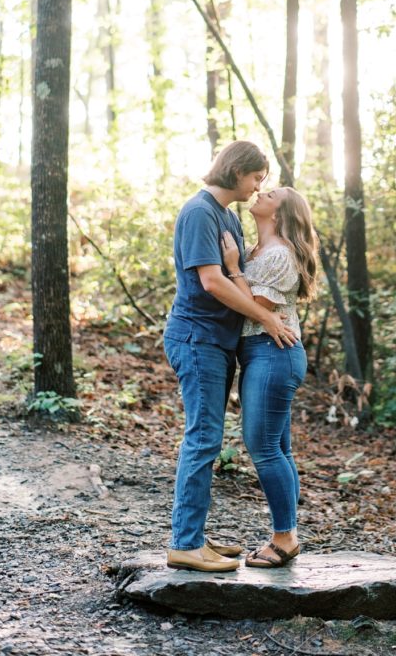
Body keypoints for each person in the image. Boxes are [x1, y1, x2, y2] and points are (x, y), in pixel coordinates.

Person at [163, 142, 298, 574]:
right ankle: (185, 543)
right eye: (257, 176)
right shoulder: (200, 211)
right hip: (197, 338)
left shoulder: (227, 215)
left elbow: (236, 274)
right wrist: (268, 319)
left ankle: (195, 535)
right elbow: (212, 282)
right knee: (203, 438)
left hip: (219, 344)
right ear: (237, 170)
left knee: (209, 438)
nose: (260, 185)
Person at [221, 185, 317, 568]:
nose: (261, 193)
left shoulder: (280, 255)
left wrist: (230, 269)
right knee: (279, 450)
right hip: (262, 353)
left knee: (261, 446)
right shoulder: (257, 251)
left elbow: (254, 306)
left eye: (271, 194)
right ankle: (287, 533)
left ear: (280, 214)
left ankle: (284, 538)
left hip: (273, 353)